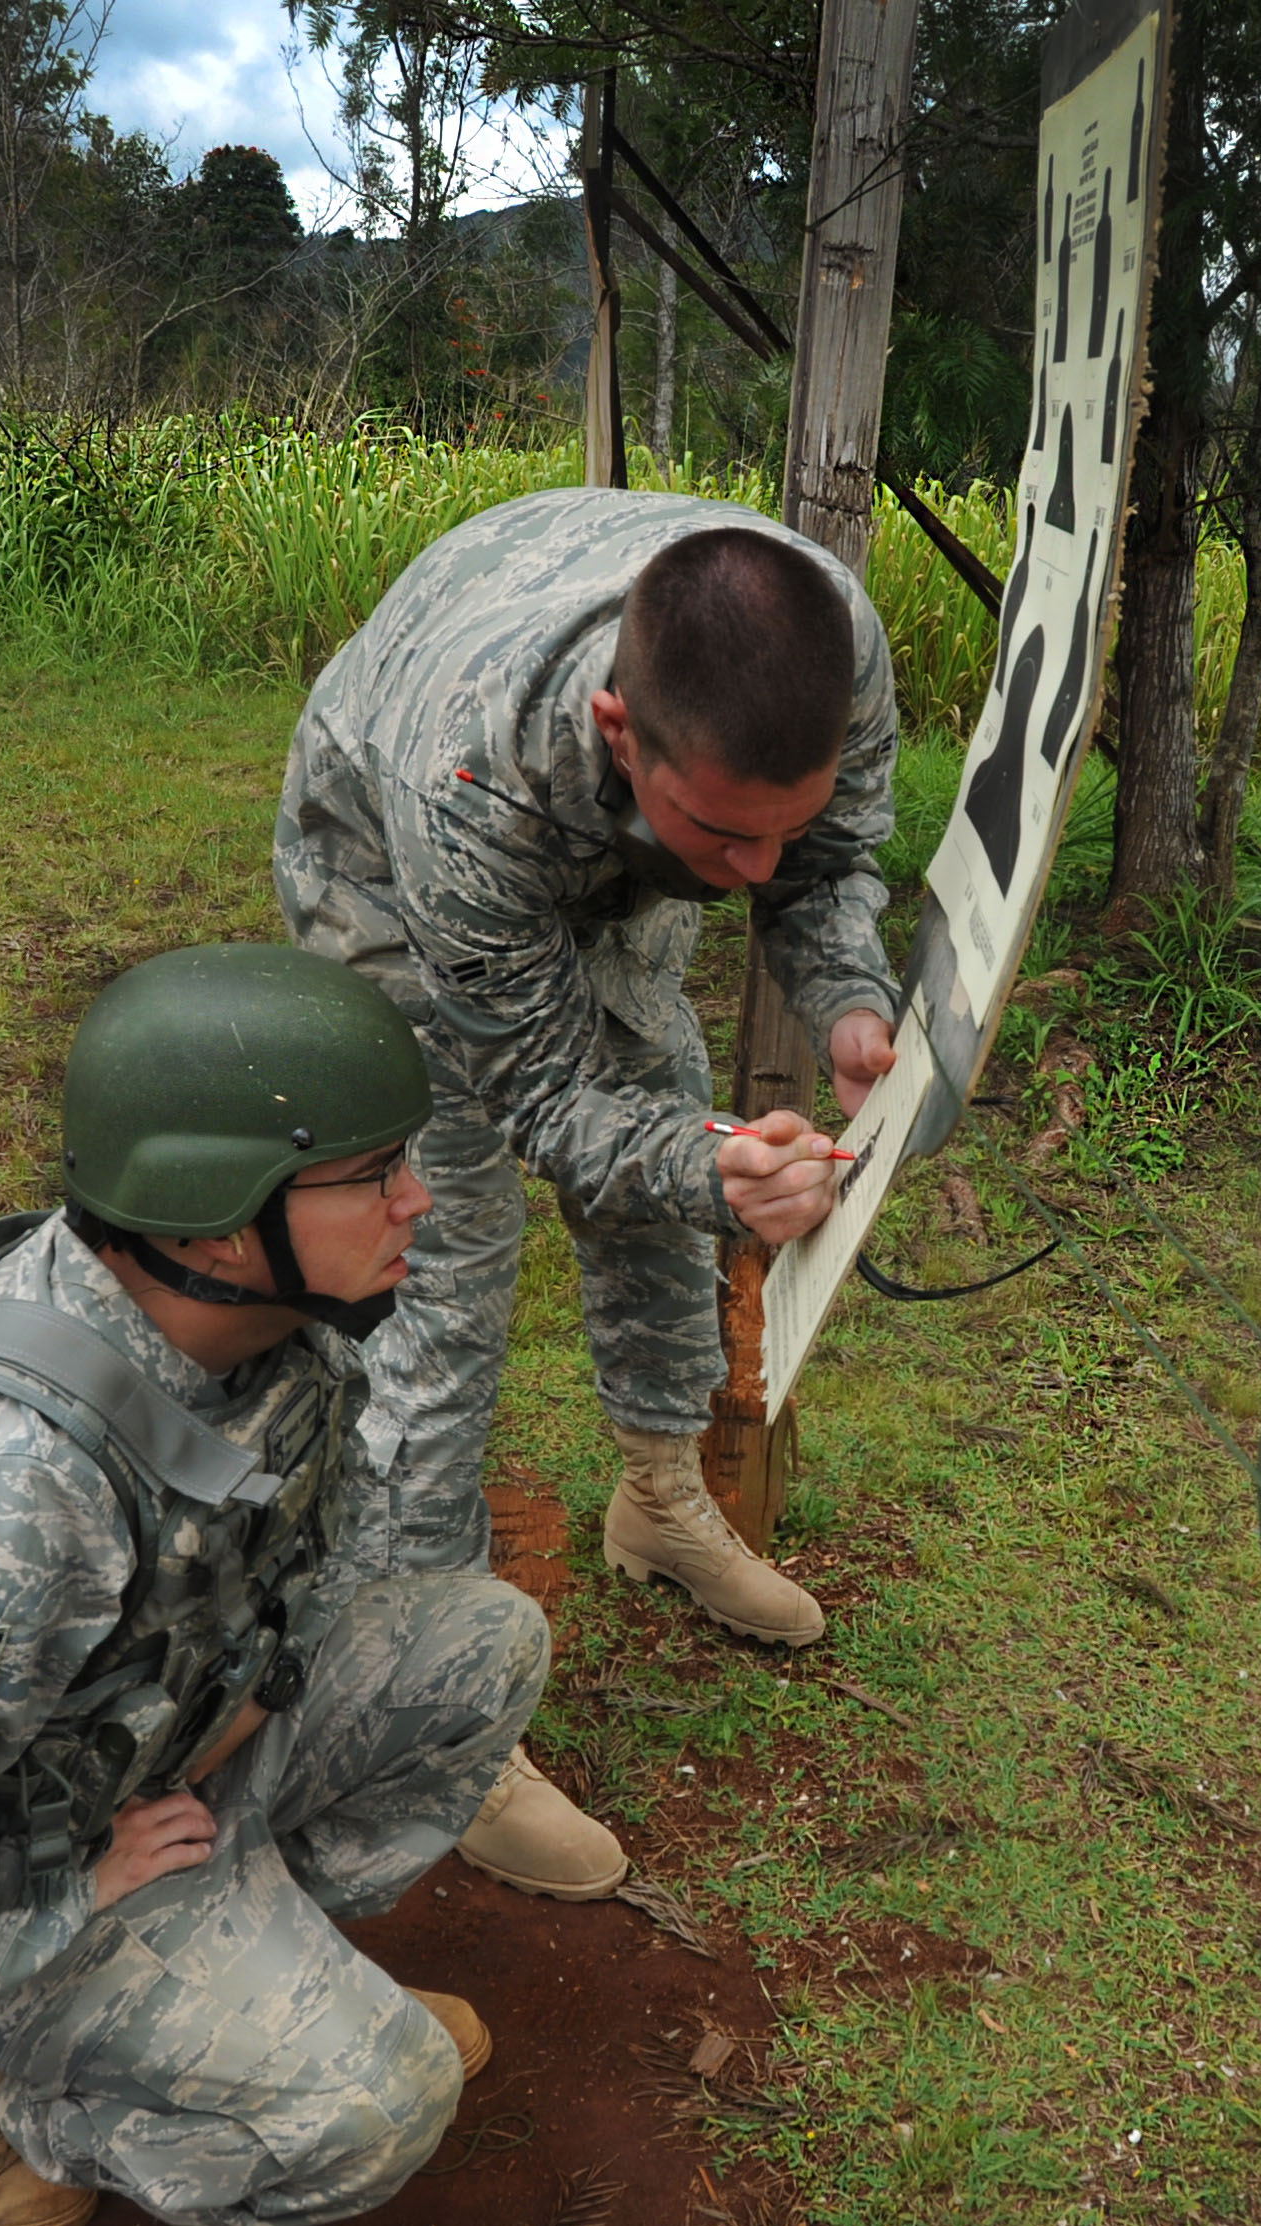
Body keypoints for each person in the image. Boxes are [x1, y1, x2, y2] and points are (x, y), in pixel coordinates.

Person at [0, 945, 618, 2226]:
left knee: (481, 1647)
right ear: (211, 1216)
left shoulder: (244, 1320)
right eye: (369, 1176)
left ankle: (234, 1987)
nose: (419, 1201)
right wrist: (70, 1895)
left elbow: (281, 1545)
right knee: (379, 2107)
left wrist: (248, 1698)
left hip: (128, 1753)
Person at [276, 488, 902, 1650]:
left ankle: (661, 1499)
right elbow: (552, 1103)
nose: (755, 867)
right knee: (440, 1254)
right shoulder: (463, 788)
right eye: (726, 834)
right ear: (621, 728)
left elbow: (826, 857)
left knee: (660, 1083)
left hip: (600, 836)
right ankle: (422, 1661)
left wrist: (850, 1000)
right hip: (390, 869)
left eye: (777, 825)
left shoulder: (834, 643)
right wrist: (717, 1170)